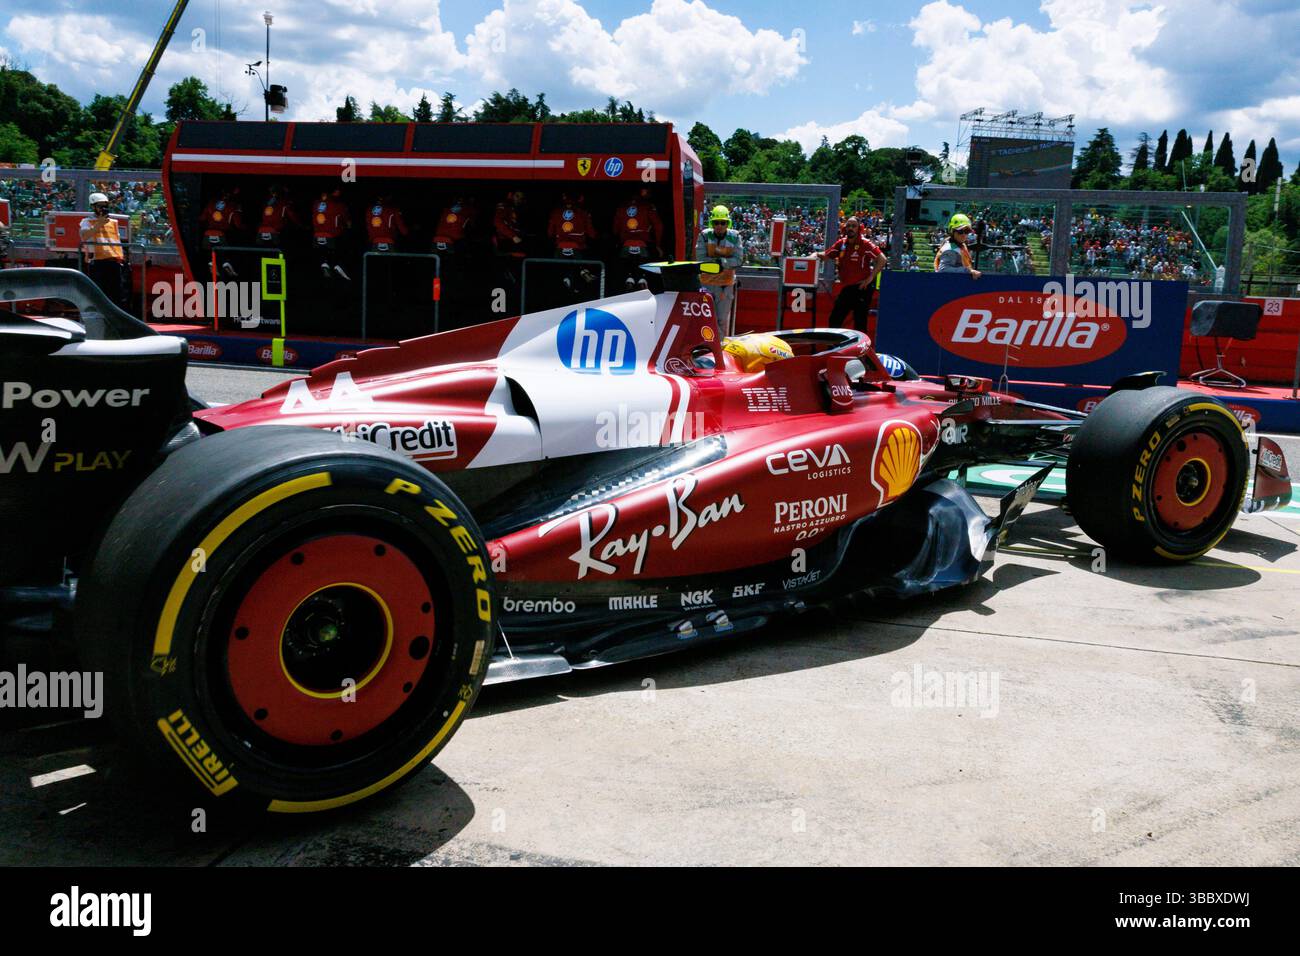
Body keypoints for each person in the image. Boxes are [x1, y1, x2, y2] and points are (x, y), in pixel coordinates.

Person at [817, 216, 886, 332]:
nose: (850, 228)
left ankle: (860, 349)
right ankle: (835, 348)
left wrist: (870, 278)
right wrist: (814, 255)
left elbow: (882, 259)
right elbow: (825, 256)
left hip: (862, 288)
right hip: (847, 288)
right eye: (848, 226)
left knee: (860, 323)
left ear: (859, 228)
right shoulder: (841, 244)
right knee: (834, 320)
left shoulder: (865, 244)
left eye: (854, 226)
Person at [695, 205, 742, 336]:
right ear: (712, 223)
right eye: (716, 222)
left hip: (725, 286)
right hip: (706, 284)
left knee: (722, 320)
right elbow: (700, 259)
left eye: (723, 222)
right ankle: (707, 348)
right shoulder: (704, 236)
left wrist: (721, 262)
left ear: (728, 223)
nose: (719, 225)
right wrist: (724, 262)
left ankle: (720, 350)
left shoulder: (735, 236)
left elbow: (739, 260)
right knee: (706, 319)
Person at [79, 192, 129, 307]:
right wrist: (99, 224)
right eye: (100, 206)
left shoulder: (113, 222)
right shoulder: (87, 222)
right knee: (100, 292)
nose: (103, 208)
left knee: (117, 294)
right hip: (98, 262)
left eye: (105, 206)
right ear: (93, 207)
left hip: (114, 261)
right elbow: (84, 236)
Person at [612, 186, 663, 290]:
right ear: (641, 193)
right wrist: (658, 245)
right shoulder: (648, 206)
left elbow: (615, 228)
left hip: (625, 244)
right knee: (648, 263)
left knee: (624, 265)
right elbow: (658, 226)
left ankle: (629, 279)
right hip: (644, 244)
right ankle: (642, 280)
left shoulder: (621, 207)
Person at [198, 187, 244, 277]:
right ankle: (227, 262)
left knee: (213, 251)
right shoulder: (233, 206)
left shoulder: (211, 203)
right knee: (231, 245)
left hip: (207, 236)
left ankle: (212, 262)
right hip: (223, 235)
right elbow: (238, 224)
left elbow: (202, 218)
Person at [312, 189, 352, 280]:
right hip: (333, 237)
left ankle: (324, 264)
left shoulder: (316, 203)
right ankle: (338, 266)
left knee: (323, 251)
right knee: (341, 243)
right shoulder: (339, 205)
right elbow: (347, 222)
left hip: (317, 237)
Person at [933, 213, 982, 279]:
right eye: (960, 231)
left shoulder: (960, 244)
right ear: (952, 231)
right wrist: (969, 271)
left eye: (967, 231)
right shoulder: (950, 250)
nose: (964, 234)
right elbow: (943, 270)